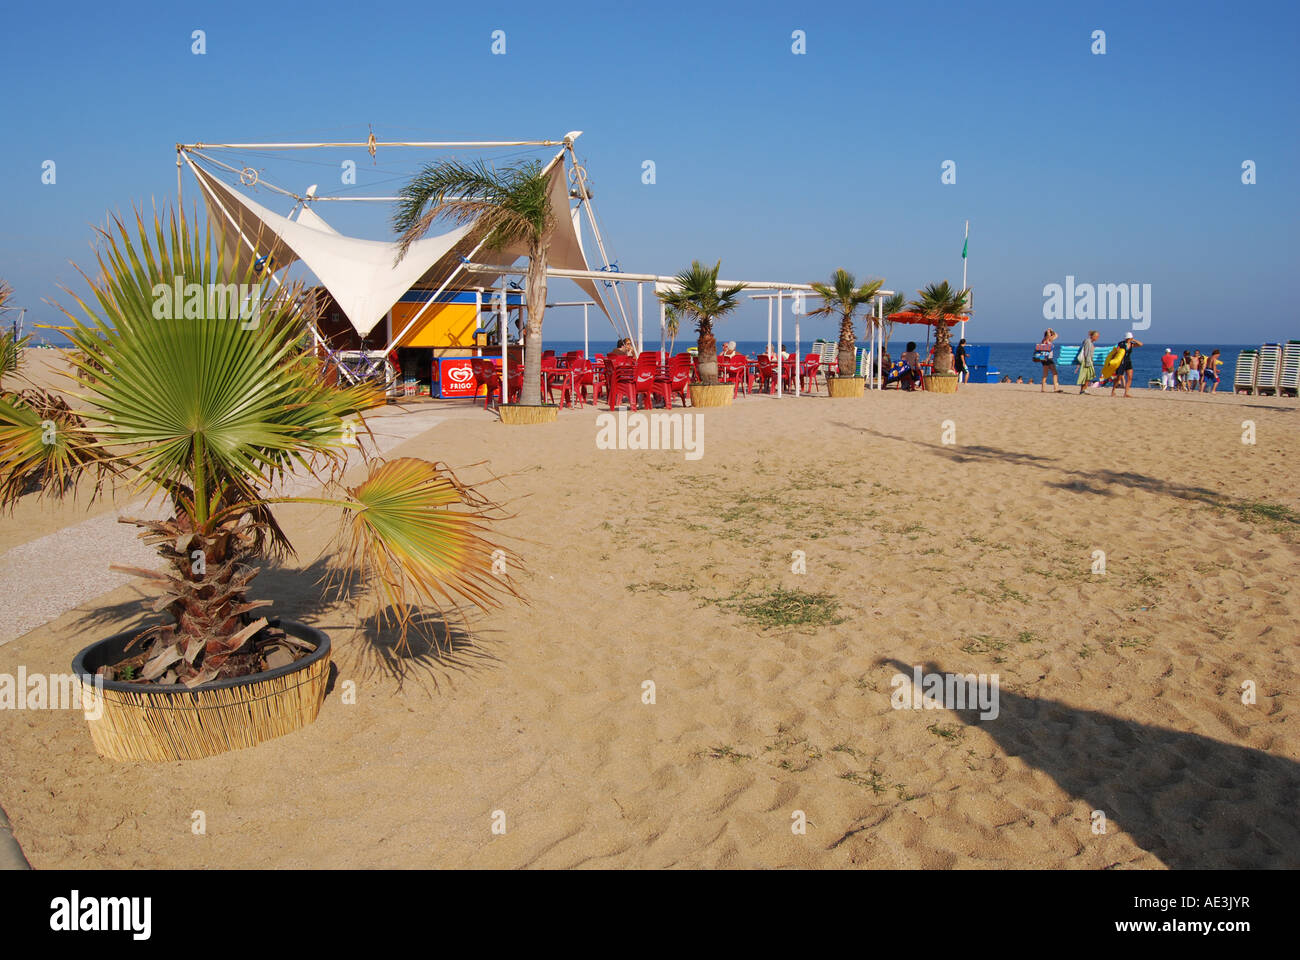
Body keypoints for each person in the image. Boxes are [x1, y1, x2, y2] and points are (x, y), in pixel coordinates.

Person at [1109, 332, 1143, 398]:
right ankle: (1113, 391)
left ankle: (1126, 393)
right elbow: (1116, 351)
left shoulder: (1131, 344)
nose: (1129, 339)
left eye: (1130, 338)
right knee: (1118, 378)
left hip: (1128, 362)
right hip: (1121, 362)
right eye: (1128, 338)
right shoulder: (1121, 344)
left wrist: (1134, 340)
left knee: (1130, 377)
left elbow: (1141, 344)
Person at [1034, 328, 1062, 392]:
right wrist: (1049, 331)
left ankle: (1043, 389)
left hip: (1045, 358)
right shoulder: (1045, 340)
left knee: (1045, 374)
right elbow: (1049, 336)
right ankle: (1055, 388)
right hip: (1048, 359)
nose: (1051, 335)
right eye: (1050, 334)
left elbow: (1056, 335)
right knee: (1054, 373)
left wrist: (1052, 331)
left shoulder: (1049, 340)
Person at [1077, 330, 1099, 394]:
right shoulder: (1088, 342)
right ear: (1093, 336)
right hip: (1087, 361)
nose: (1097, 338)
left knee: (1088, 376)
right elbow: (1087, 353)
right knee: (1086, 376)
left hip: (1089, 361)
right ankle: (1083, 389)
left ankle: (1084, 389)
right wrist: (1088, 362)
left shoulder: (1090, 342)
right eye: (1097, 336)